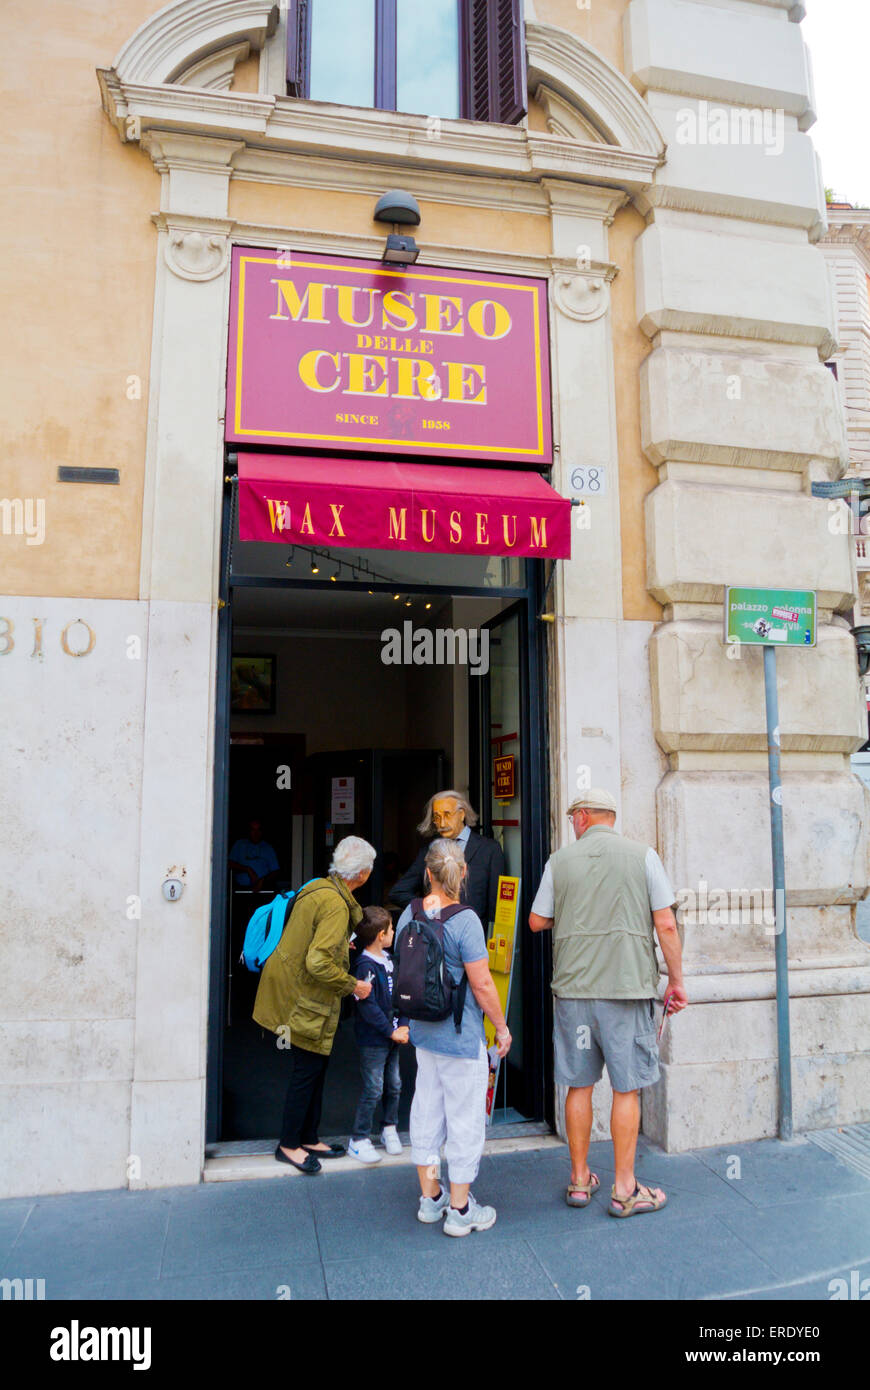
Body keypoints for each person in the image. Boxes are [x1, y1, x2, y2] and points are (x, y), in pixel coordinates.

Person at [528, 789, 687, 1217]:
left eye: (572, 819)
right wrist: (676, 979)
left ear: (582, 817)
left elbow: (536, 920)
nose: (572, 826)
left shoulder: (559, 862)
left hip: (575, 992)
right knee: (626, 1087)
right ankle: (624, 1188)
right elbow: (666, 923)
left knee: (579, 1084)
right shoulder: (644, 856)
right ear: (610, 819)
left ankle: (580, 1182)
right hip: (626, 990)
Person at [395, 838, 511, 1236]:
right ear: (463, 874)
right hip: (461, 1039)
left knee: (426, 1113)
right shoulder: (466, 920)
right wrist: (502, 1027)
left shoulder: (409, 914)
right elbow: (481, 985)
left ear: (427, 874)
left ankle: (431, 1198)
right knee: (464, 1121)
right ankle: (460, 1209)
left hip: (424, 1036)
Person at [253, 836, 376, 1174]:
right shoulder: (336, 904)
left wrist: (339, 947)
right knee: (306, 1071)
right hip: (301, 998)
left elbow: (312, 940)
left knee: (315, 1067)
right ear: (362, 873)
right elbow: (318, 963)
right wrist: (355, 986)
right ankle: (289, 1145)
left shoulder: (320, 887)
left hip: (294, 990)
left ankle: (308, 1136)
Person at [347, 906, 410, 1165]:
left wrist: (404, 1024)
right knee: (374, 1087)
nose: (394, 932)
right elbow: (367, 1006)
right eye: (392, 928)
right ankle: (359, 1139)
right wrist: (390, 1031)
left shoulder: (391, 960)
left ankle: (389, 1128)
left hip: (394, 1035)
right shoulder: (363, 966)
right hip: (375, 1039)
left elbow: (403, 994)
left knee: (394, 1084)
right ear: (380, 935)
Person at [390, 791, 505, 929]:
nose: (442, 823)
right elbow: (398, 892)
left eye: (447, 815)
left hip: (474, 936)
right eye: (437, 817)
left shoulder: (489, 849)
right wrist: (428, 908)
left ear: (462, 814)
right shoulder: (429, 850)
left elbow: (497, 905)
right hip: (436, 937)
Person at [228, 818, 280, 893]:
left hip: (263, 891)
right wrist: (247, 869)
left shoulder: (268, 848)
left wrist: (263, 880)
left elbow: (275, 871)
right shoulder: (239, 844)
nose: (256, 833)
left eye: (258, 830)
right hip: (240, 891)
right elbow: (229, 863)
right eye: (253, 830)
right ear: (248, 832)